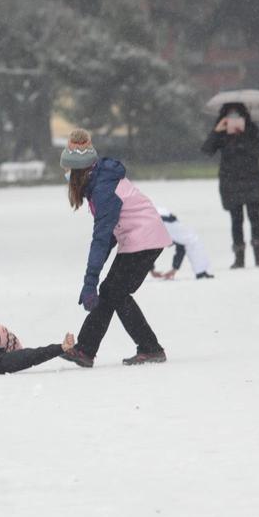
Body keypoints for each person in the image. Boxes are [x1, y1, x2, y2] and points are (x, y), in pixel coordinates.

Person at [59, 129, 172, 368]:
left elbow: (101, 237)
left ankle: (149, 348)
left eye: (68, 170)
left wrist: (90, 281)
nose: (66, 175)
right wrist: (92, 280)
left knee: (115, 292)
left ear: (79, 171)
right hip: (138, 238)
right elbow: (108, 234)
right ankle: (86, 350)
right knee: (112, 291)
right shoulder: (98, 182)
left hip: (144, 238)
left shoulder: (103, 189)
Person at [202, 103, 259, 269]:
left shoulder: (252, 130)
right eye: (229, 116)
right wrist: (217, 130)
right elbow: (207, 150)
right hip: (230, 181)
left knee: (255, 218)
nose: (233, 119)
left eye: (237, 116)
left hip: (251, 179)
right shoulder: (221, 133)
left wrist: (243, 137)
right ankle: (239, 257)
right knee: (236, 220)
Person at [150, 206, 213, 280]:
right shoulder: (170, 230)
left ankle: (201, 272)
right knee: (192, 240)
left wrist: (152, 270)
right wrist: (174, 268)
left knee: (190, 240)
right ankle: (201, 272)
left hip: (157, 218)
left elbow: (146, 250)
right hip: (160, 218)